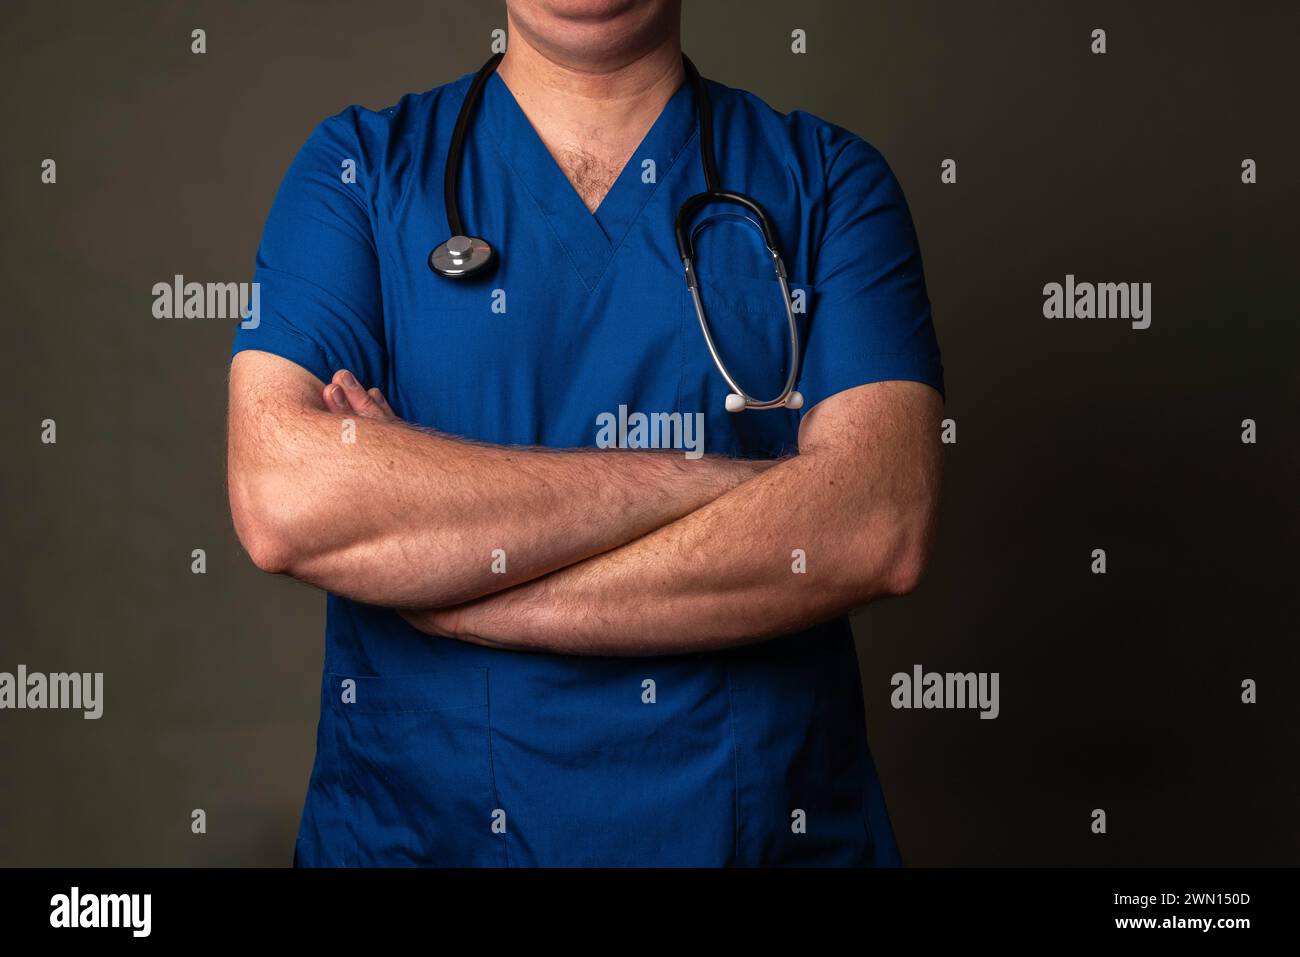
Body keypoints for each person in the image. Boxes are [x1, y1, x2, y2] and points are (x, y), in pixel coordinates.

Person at [226, 0, 944, 866]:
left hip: (756, 839)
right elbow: (284, 498)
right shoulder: (358, 171)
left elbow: (877, 523)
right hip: (420, 840)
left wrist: (459, 597)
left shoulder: (829, 180)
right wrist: (732, 486)